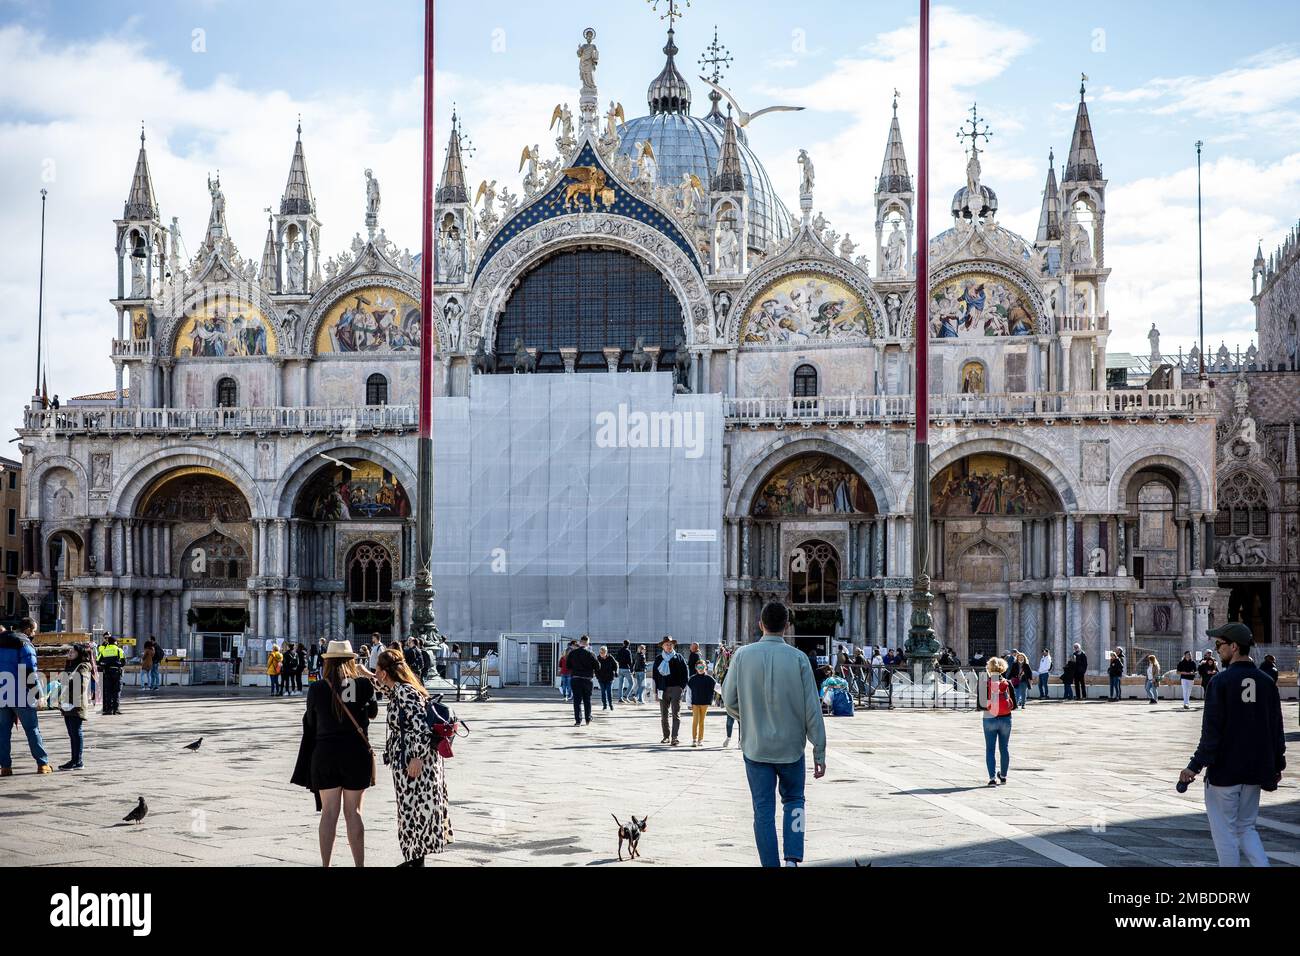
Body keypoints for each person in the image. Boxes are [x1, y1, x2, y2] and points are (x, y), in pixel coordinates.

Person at [724, 603, 826, 867]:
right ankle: (792, 860)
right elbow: (812, 709)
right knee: (794, 801)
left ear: (760, 624)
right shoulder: (799, 658)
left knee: (763, 812)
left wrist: (749, 719)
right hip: (791, 749)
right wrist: (819, 749)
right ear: (787, 625)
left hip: (756, 748)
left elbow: (728, 699)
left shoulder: (742, 655)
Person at [1179, 623, 1286, 867]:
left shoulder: (1221, 682)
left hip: (1225, 772)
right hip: (1256, 770)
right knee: (1246, 827)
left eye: (1220, 645)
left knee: (1224, 832)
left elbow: (1211, 734)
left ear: (1234, 647)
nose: (1217, 650)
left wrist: (1193, 767)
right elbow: (1276, 730)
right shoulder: (1267, 682)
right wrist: (1277, 765)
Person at [361, 648, 454, 866]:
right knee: (410, 809)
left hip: (414, 761)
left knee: (414, 808)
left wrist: (417, 758)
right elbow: (380, 685)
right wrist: (364, 672)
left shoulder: (405, 692)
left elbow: (421, 726)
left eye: (377, 669)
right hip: (406, 758)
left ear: (385, 672)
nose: (376, 673)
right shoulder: (398, 688)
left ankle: (415, 860)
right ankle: (414, 858)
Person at [291, 640, 377, 867]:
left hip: (325, 754)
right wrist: (366, 677)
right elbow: (373, 713)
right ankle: (359, 866)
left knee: (329, 813)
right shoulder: (363, 685)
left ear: (327, 662)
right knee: (354, 812)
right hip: (356, 754)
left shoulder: (318, 688)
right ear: (352, 661)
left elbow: (310, 721)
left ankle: (326, 865)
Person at [0, 618, 52, 775]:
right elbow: (29, 672)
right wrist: (39, 695)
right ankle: (42, 764)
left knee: (2, 731)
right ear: (28, 629)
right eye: (34, 630)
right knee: (32, 729)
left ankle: (5, 767)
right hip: (21, 694)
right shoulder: (25, 644)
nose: (34, 633)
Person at [978, 657, 1015, 786]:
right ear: (1003, 668)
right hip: (1005, 717)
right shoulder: (1007, 683)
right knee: (1004, 748)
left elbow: (980, 705)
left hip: (989, 717)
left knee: (990, 749)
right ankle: (1003, 776)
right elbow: (1014, 705)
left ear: (989, 668)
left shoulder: (985, 683)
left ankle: (992, 778)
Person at [58, 643, 94, 770]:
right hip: (67, 704)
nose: (70, 653)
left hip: (75, 704)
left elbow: (81, 686)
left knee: (75, 732)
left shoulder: (82, 666)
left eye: (73, 651)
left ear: (80, 653)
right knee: (72, 733)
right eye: (70, 651)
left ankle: (77, 761)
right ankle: (75, 760)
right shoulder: (71, 665)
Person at [652, 637, 689, 746]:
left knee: (676, 714)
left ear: (673, 646)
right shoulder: (659, 659)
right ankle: (666, 736)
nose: (669, 646)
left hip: (676, 689)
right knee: (664, 715)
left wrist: (682, 687)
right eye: (666, 644)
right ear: (663, 646)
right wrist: (655, 691)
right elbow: (655, 676)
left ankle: (674, 737)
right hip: (662, 689)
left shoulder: (679, 657)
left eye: (670, 644)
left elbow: (685, 673)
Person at [565, 636, 598, 726]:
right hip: (587, 679)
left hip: (575, 678)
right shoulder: (591, 653)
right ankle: (587, 719)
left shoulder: (573, 653)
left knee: (577, 701)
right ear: (587, 643)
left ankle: (578, 721)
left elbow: (568, 666)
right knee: (587, 700)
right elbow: (598, 666)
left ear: (580, 642)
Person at [687, 660, 716, 746]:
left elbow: (717, 688)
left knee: (702, 722)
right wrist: (689, 704)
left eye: (702, 667)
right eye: (699, 667)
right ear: (696, 668)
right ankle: (694, 739)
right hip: (695, 703)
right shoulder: (692, 679)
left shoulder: (709, 679)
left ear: (705, 667)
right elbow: (688, 692)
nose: (700, 669)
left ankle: (700, 739)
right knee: (695, 721)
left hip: (705, 703)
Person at [96, 634, 125, 715]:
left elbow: (98, 661)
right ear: (115, 642)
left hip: (107, 673)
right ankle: (116, 709)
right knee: (117, 691)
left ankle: (109, 710)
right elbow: (123, 662)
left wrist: (105, 665)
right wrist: (117, 664)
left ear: (108, 642)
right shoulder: (119, 650)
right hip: (116, 673)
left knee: (108, 691)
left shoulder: (104, 650)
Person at [595, 646, 618, 711]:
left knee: (609, 691)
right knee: (603, 692)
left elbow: (615, 665)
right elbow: (596, 668)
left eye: (603, 652)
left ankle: (610, 704)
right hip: (601, 678)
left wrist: (616, 672)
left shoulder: (610, 657)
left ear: (606, 652)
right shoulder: (598, 658)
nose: (601, 654)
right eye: (600, 652)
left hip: (609, 678)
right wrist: (597, 676)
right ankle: (604, 705)